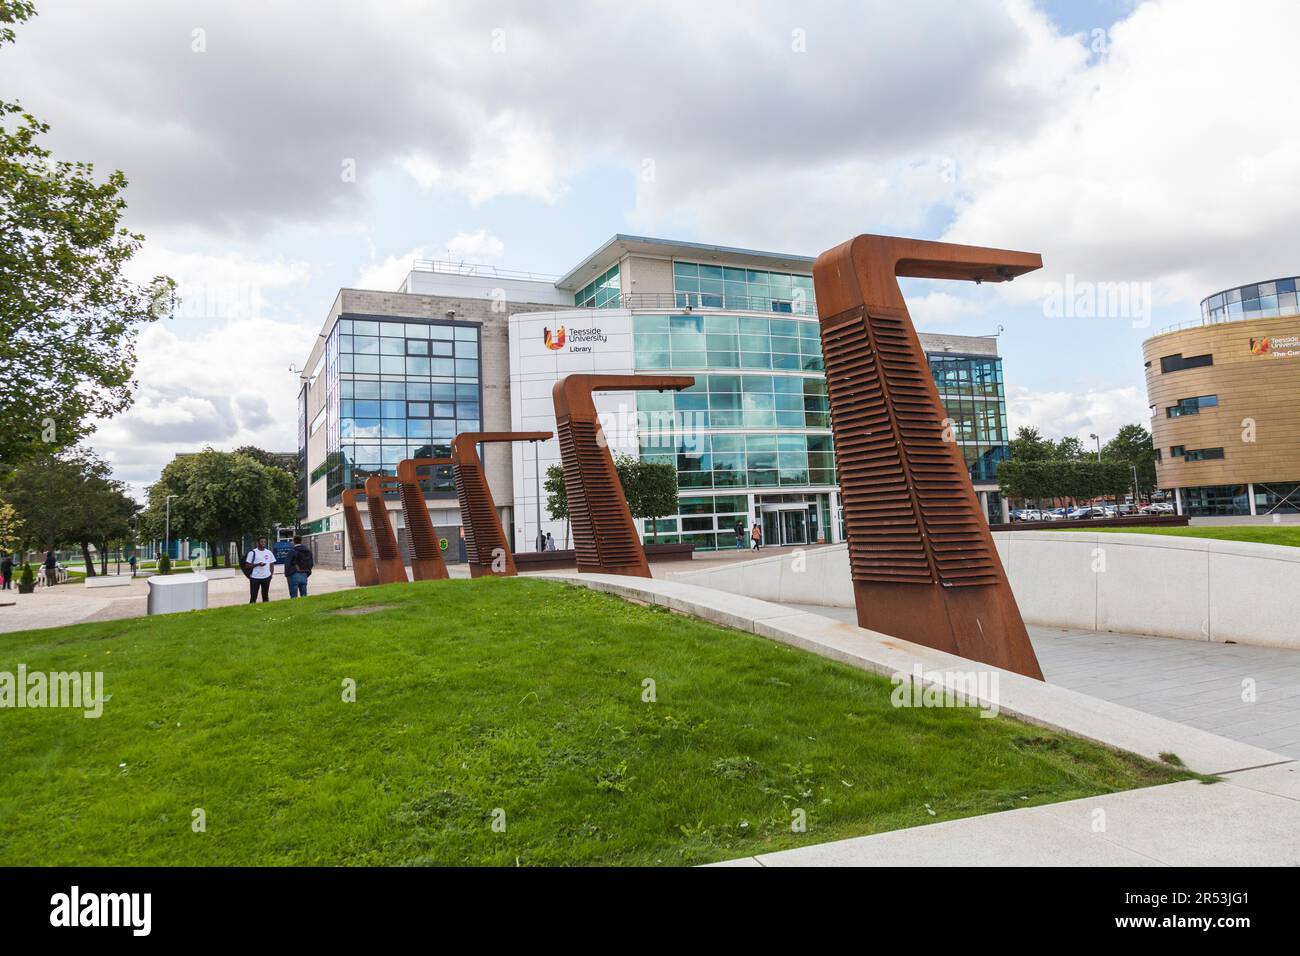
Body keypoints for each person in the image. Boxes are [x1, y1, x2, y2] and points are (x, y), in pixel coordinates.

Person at [244, 537, 275, 603]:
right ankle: (251, 609)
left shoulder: (269, 552)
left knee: (265, 596)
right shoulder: (252, 553)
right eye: (261, 542)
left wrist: (271, 575)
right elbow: (247, 565)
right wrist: (258, 564)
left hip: (266, 577)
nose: (263, 543)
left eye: (264, 542)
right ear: (258, 543)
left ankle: (266, 609)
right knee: (253, 596)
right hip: (255, 578)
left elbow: (272, 565)